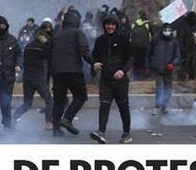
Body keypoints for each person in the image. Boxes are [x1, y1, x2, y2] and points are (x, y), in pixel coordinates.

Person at [90, 14, 133, 144]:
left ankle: (126, 133)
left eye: (113, 24)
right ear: (104, 26)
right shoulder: (100, 40)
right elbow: (94, 56)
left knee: (123, 106)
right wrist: (94, 64)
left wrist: (123, 71)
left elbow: (131, 58)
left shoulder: (123, 39)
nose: (110, 27)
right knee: (104, 105)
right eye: (108, 24)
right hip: (105, 79)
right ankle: (101, 132)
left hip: (120, 80)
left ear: (117, 25)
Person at [49, 8, 92, 136]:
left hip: (57, 72)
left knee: (59, 101)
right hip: (73, 70)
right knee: (80, 96)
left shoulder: (56, 35)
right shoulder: (77, 33)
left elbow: (50, 54)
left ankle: (56, 129)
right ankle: (67, 118)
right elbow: (84, 50)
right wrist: (93, 62)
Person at [17, 21, 53, 129]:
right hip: (38, 78)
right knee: (49, 100)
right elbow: (49, 57)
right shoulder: (43, 48)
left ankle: (13, 118)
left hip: (27, 78)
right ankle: (48, 123)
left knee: (27, 104)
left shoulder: (28, 46)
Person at [148, 23, 181, 113]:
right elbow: (149, 53)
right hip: (157, 68)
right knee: (159, 87)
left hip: (168, 69)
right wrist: (149, 65)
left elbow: (177, 55)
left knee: (168, 88)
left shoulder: (174, 41)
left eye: (169, 30)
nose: (167, 32)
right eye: (165, 30)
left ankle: (164, 105)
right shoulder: (156, 40)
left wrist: (173, 64)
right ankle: (158, 105)